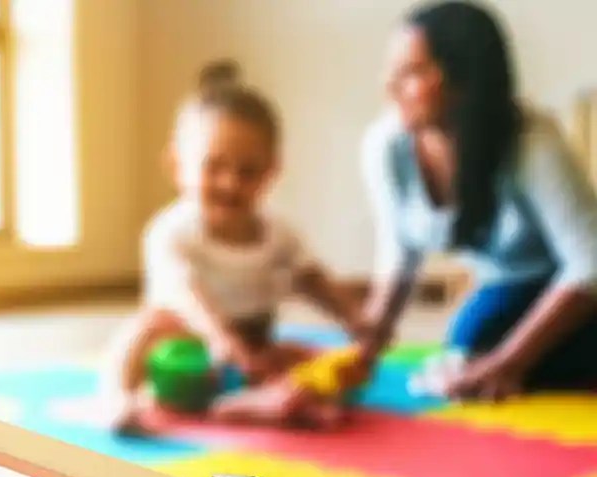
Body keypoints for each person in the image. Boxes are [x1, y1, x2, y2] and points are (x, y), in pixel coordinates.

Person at [108, 61, 366, 433]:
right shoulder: (171, 231)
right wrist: (221, 340)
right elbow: (187, 292)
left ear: (271, 172)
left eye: (247, 172)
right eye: (214, 167)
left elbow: (313, 279)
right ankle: (117, 397)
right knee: (140, 330)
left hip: (255, 353)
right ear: (177, 165)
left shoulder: (279, 232)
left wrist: (355, 322)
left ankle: (259, 403)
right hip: (186, 356)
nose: (230, 183)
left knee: (316, 359)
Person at [359, 1, 597, 400]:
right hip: (506, 284)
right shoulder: (386, 147)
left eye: (412, 72)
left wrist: (507, 364)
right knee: (467, 342)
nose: (389, 86)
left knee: (493, 355)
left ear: (463, 80)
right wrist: (362, 351)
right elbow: (399, 256)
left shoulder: (531, 142)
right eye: (391, 70)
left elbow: (589, 264)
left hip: (578, 292)